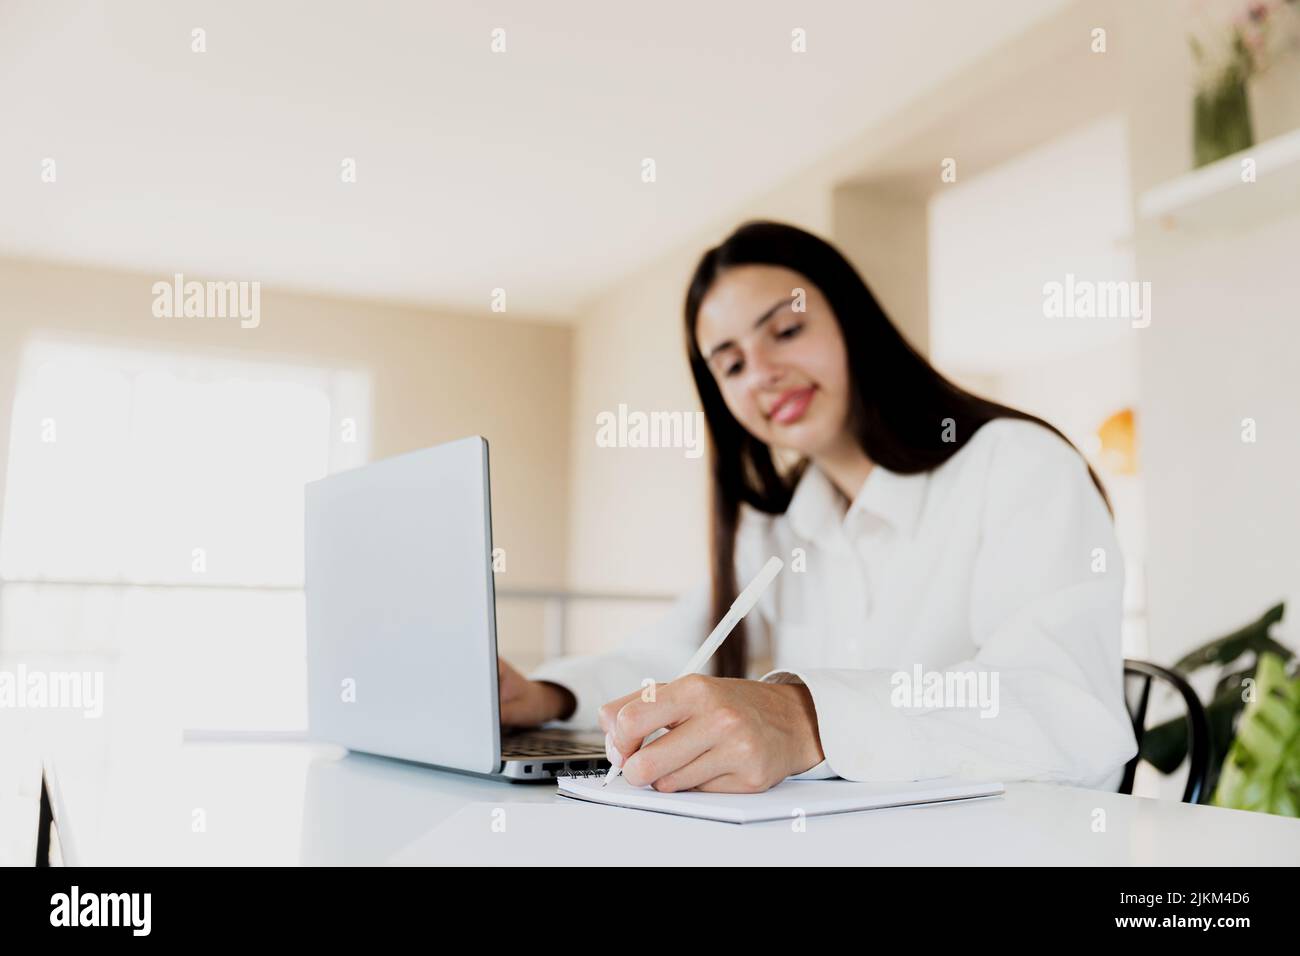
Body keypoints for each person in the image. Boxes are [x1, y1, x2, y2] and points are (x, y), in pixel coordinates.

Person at [498, 220, 1137, 794]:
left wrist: (807, 719)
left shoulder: (1017, 466)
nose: (763, 374)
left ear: (853, 322)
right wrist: (545, 695)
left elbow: (1067, 709)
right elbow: (675, 654)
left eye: (787, 330)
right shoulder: (776, 524)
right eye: (732, 365)